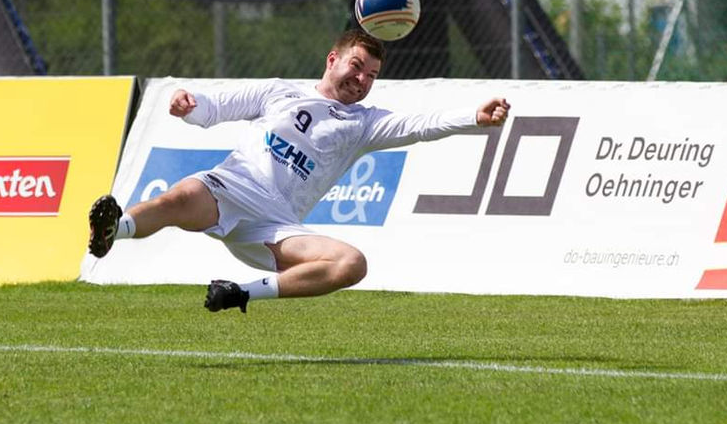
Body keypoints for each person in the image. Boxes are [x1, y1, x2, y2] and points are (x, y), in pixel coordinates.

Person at [87, 30, 510, 313]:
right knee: (177, 200)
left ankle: (239, 293)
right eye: (356, 66)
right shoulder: (280, 91)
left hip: (276, 225)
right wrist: (188, 103)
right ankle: (114, 231)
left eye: (372, 75)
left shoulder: (363, 123)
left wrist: (473, 115)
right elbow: (216, 107)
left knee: (352, 264)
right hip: (232, 188)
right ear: (332, 59)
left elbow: (420, 125)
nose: (362, 79)